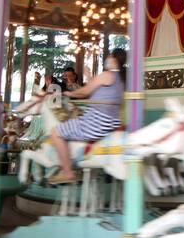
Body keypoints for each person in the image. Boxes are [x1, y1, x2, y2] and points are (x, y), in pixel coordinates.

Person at [49, 49, 126, 184]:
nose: (107, 58)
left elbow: (84, 92)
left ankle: (67, 172)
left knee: (56, 132)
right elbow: (96, 90)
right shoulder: (119, 79)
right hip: (112, 122)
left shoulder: (107, 74)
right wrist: (89, 74)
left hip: (97, 121)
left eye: (109, 56)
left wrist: (68, 94)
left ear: (114, 60)